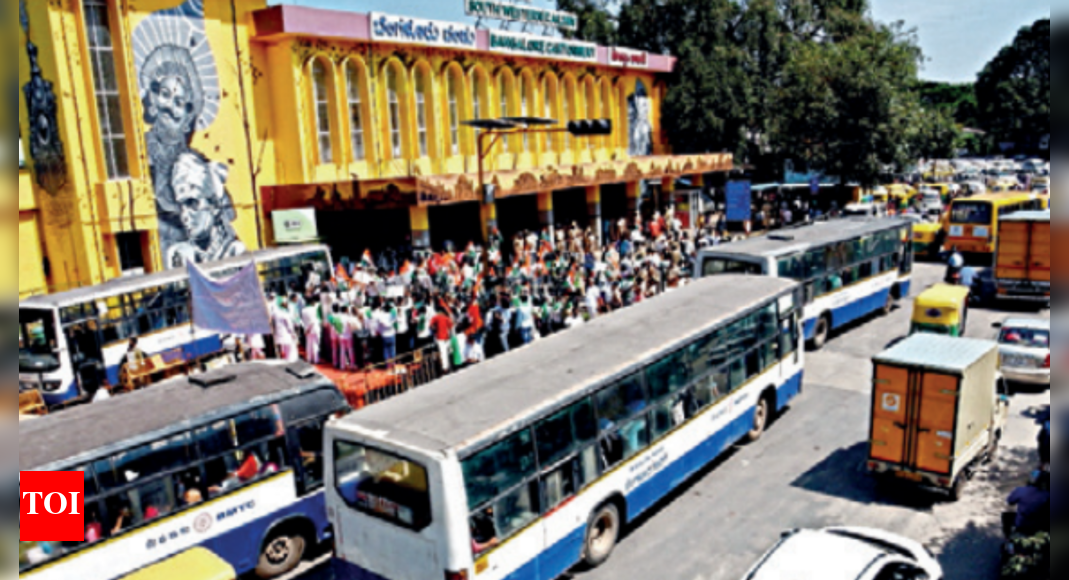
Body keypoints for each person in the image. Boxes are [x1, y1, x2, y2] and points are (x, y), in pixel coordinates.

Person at [1007, 471, 1050, 535]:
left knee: (1008, 515)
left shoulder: (1020, 490)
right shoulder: (1047, 495)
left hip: (1020, 525)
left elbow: (1010, 501)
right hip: (1038, 528)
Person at [430, 306, 454, 373]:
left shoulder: (436, 317)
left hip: (439, 337)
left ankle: (445, 368)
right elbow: (451, 326)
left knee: (443, 353)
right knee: (448, 351)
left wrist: (434, 330)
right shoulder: (446, 317)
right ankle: (449, 366)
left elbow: (431, 325)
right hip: (447, 337)